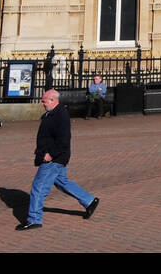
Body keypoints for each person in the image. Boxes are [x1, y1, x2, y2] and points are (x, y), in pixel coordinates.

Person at [17, 89, 99, 230]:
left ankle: (34, 219)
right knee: (62, 182)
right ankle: (89, 200)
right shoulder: (52, 113)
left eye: (44, 101)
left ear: (53, 100)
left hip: (54, 159)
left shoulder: (60, 115)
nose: (42, 104)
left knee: (39, 187)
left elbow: (64, 140)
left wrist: (50, 154)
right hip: (54, 157)